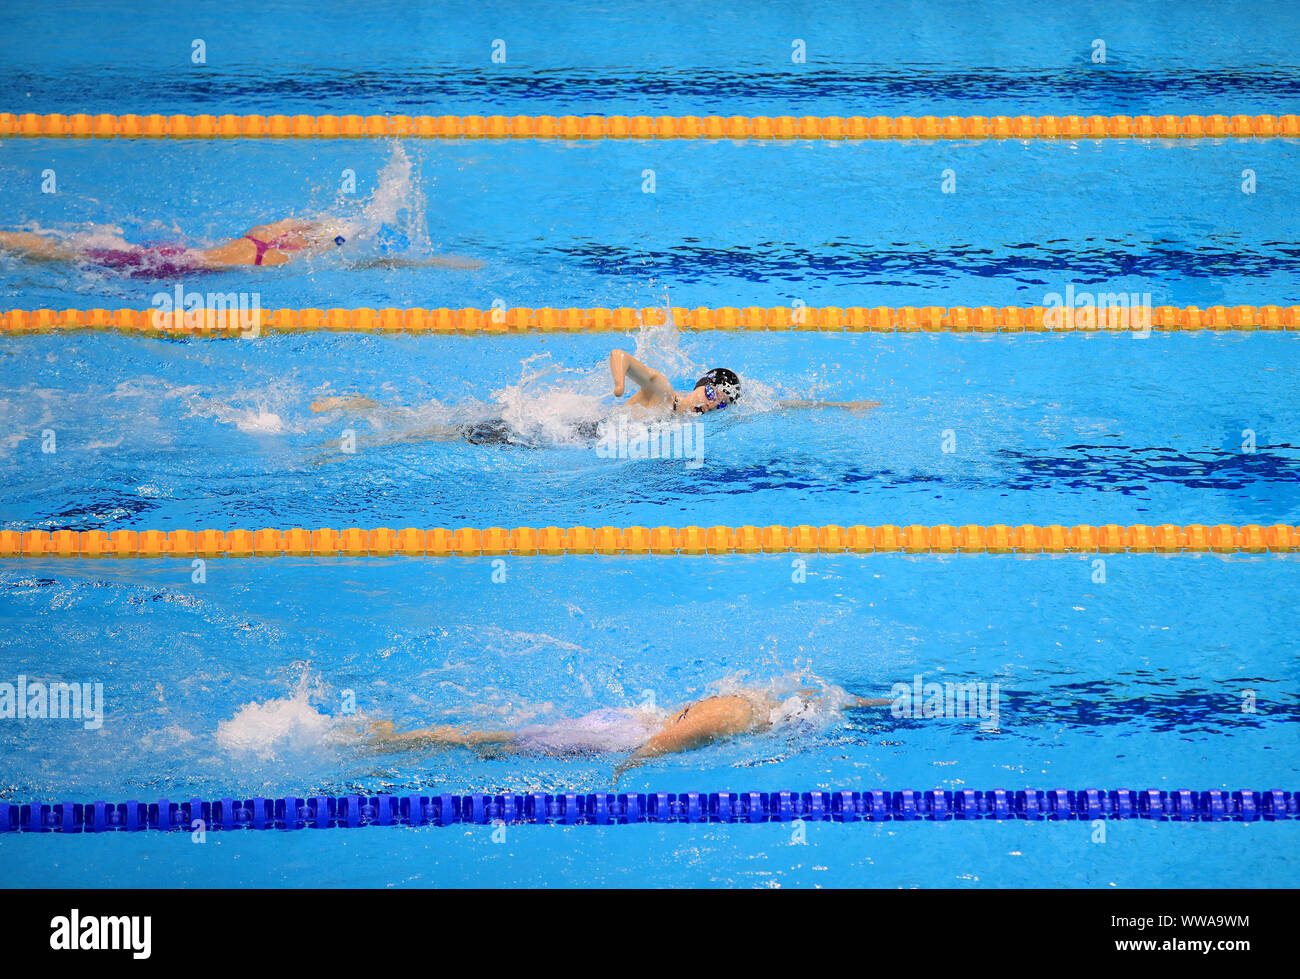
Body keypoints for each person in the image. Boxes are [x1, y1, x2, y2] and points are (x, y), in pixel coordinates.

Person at [365, 687, 892, 782]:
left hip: (621, 720)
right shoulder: (735, 720)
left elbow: (829, 695)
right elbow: (667, 742)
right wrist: (627, 768)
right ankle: (394, 742)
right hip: (615, 739)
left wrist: (876, 703)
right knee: (503, 746)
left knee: (509, 738)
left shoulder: (759, 699)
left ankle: (412, 737)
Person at [0, 218, 346, 274]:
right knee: (66, 258)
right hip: (178, 268)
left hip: (174, 252)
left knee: (75, 251)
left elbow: (305, 223)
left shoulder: (265, 232)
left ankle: (9, 239)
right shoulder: (276, 263)